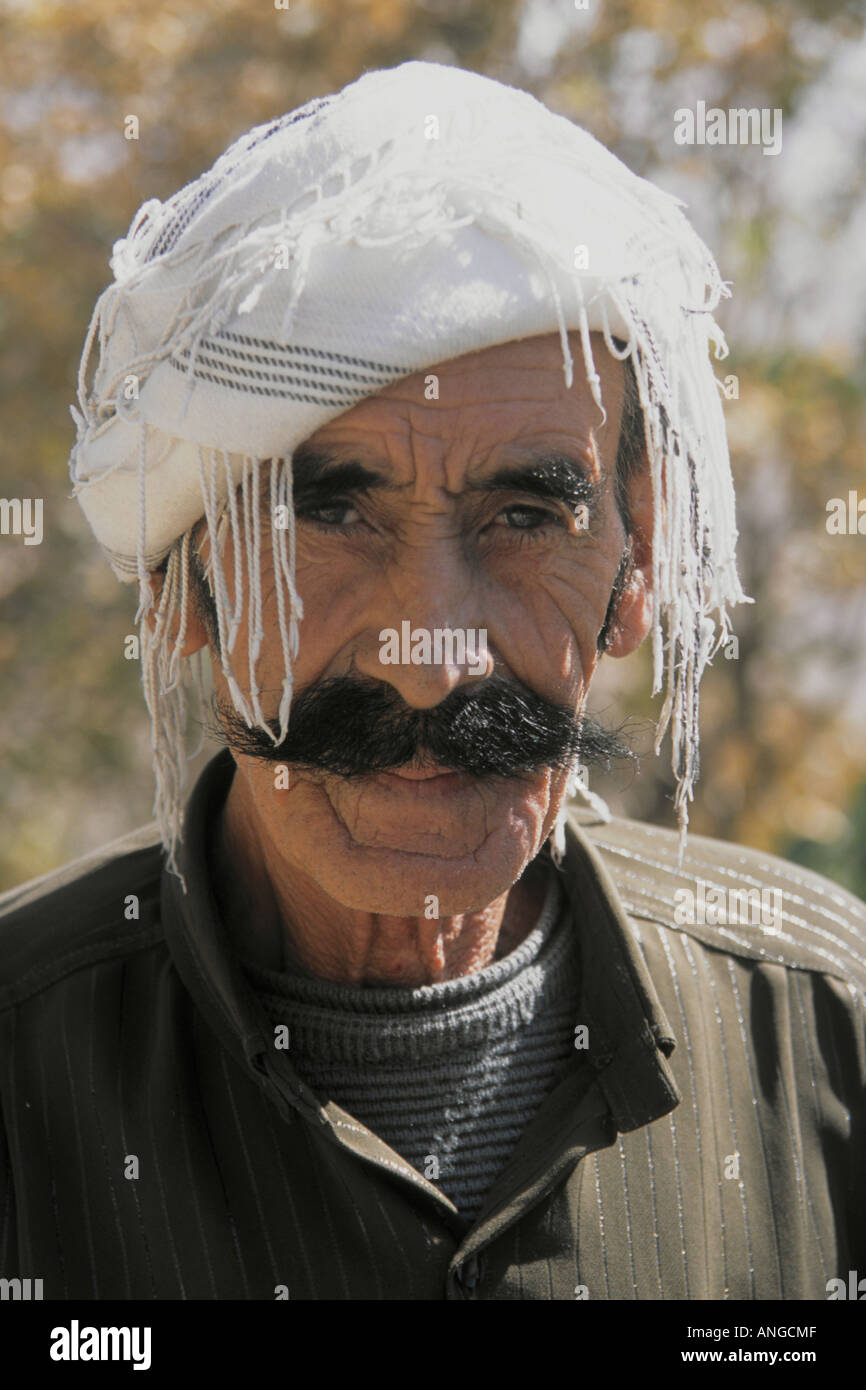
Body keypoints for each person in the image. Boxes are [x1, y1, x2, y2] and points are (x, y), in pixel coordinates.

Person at [1, 61, 863, 1302]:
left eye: (524, 514)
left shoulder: (823, 1031)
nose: (434, 656)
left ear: (635, 567)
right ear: (180, 589)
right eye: (332, 518)